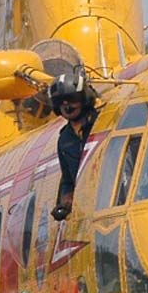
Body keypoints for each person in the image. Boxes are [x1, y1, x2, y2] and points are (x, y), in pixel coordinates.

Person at [50, 69, 98, 221]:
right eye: (60, 101)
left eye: (72, 98)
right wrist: (65, 202)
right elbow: (68, 180)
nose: (66, 104)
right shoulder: (64, 139)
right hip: (88, 208)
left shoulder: (101, 122)